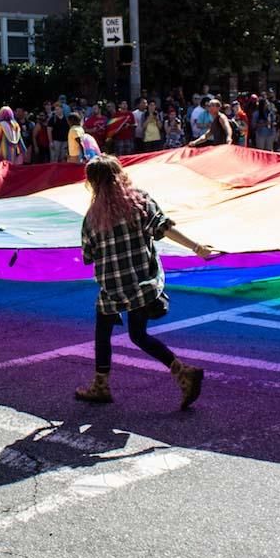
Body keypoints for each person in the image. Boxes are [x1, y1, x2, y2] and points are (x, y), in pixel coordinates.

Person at [76, 155, 216, 408]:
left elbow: (88, 256)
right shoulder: (139, 202)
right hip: (142, 284)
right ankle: (182, 371)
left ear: (93, 184)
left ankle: (101, 384)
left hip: (112, 288)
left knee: (103, 331)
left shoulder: (91, 219)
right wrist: (197, 247)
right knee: (138, 335)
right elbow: (164, 228)